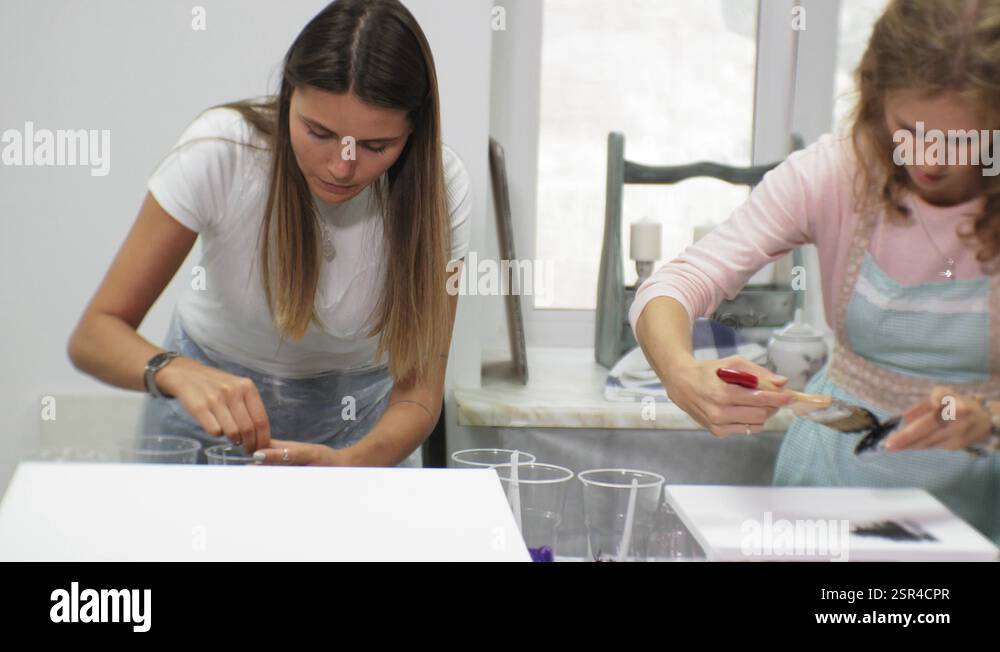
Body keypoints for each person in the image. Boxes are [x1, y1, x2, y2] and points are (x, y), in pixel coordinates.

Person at [630, 0, 1000, 543]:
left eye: (959, 140)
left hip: (980, 507)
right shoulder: (835, 175)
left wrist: (988, 420)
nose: (929, 160)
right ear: (876, 97)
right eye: (907, 129)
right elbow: (674, 285)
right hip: (829, 488)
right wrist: (682, 374)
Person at [67, 0, 471, 468]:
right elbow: (93, 335)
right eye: (319, 132)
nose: (342, 167)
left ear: (414, 132)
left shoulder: (441, 187)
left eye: (376, 146)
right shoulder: (220, 152)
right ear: (287, 97)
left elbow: (420, 392)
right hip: (206, 424)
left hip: (366, 431)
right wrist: (174, 370)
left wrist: (353, 464)